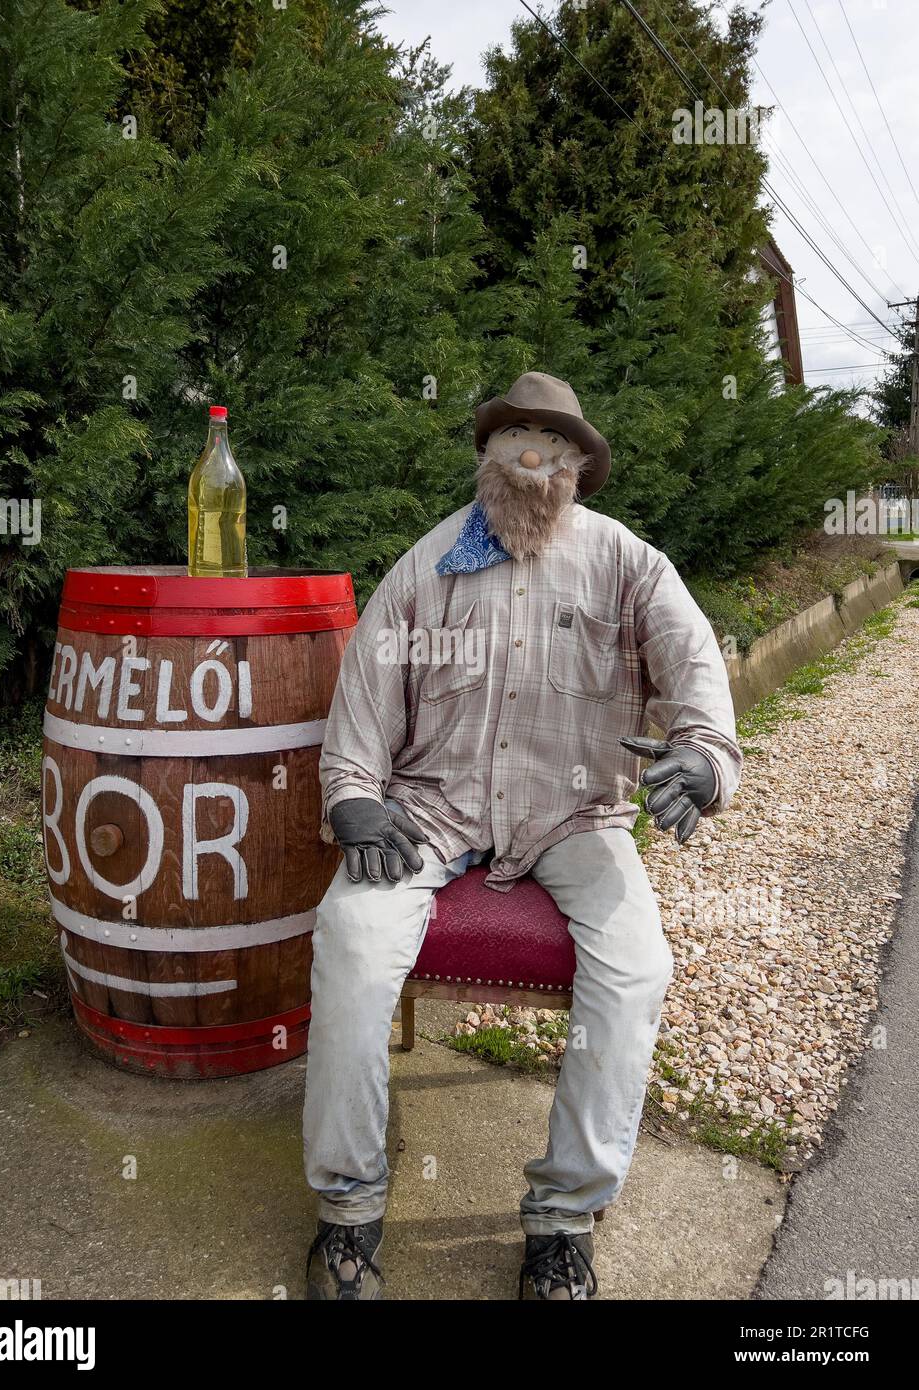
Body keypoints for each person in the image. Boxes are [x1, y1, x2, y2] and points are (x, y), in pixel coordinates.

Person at [302, 372, 742, 1300]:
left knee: (635, 968)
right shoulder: (428, 564)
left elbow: (693, 663)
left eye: (551, 439)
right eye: (513, 436)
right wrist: (350, 796)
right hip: (432, 808)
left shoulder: (629, 564)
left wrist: (704, 756)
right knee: (350, 936)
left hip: (576, 813)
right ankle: (347, 1208)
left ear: (578, 464)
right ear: (487, 455)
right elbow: (367, 692)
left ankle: (563, 1220)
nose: (531, 452)